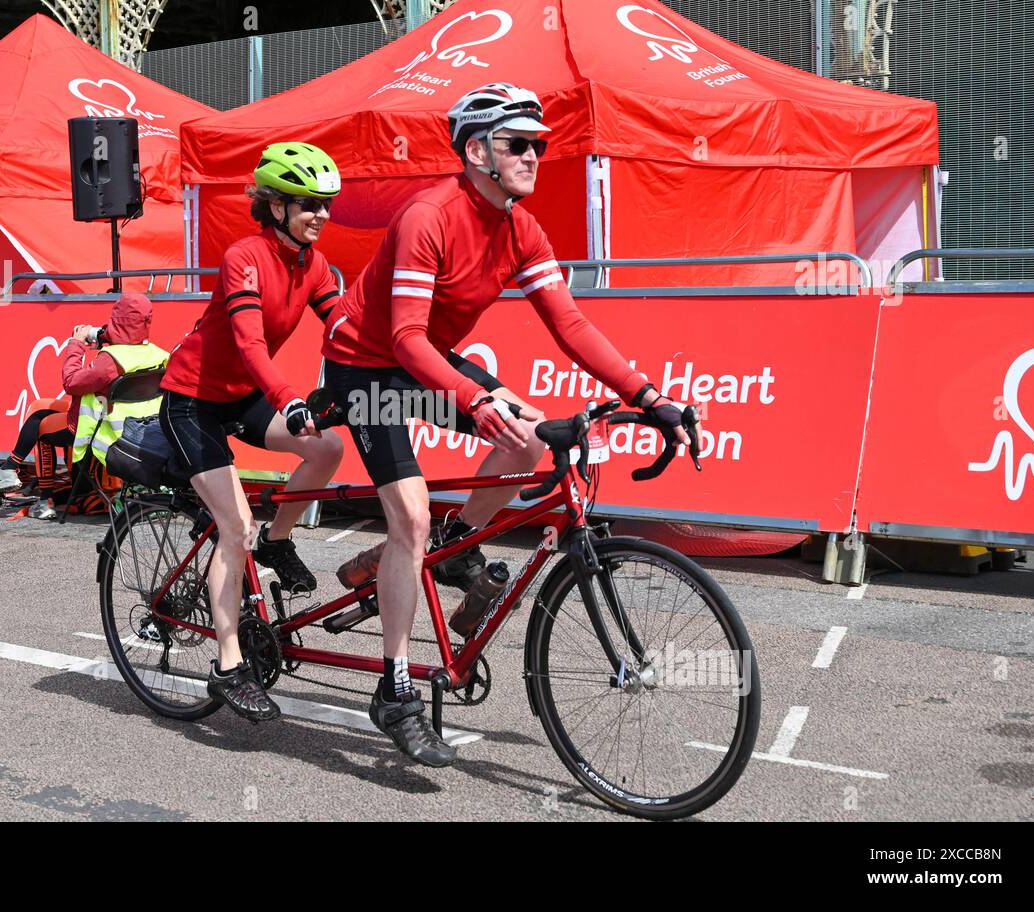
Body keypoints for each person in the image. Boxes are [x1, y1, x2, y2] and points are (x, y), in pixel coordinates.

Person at [321, 83, 701, 767]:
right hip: (365, 367)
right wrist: (473, 400)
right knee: (406, 518)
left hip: (425, 360)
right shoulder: (428, 217)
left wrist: (650, 397)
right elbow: (405, 337)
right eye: (518, 144)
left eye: (539, 145)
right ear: (476, 150)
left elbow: (572, 326)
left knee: (533, 438)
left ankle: (458, 544)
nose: (534, 155)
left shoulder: (521, 228)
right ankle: (397, 690)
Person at [159, 141, 346, 723]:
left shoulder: (314, 265)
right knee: (234, 527)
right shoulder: (244, 255)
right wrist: (289, 400)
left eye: (326, 204)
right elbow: (249, 344)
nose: (321, 214)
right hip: (191, 402)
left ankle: (281, 539)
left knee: (328, 447)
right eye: (308, 203)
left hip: (241, 398)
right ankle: (227, 665)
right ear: (275, 205)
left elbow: (343, 326)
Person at [0, 292, 169, 519]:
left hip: (98, 431)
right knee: (40, 406)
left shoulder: (110, 359)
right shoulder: (157, 354)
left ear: (117, 319)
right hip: (137, 428)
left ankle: (41, 499)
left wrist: (76, 344)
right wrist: (106, 335)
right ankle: (9, 468)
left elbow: (71, 383)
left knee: (39, 425)